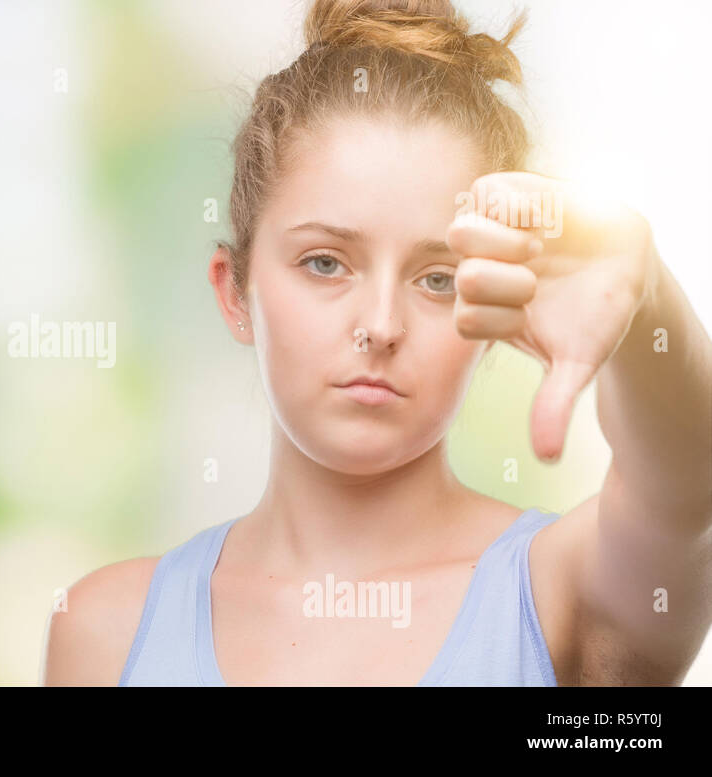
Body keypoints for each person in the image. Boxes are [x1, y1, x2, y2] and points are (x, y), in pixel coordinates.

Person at [41, 0, 712, 685]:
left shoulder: (559, 593)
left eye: (438, 278)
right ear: (235, 293)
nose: (382, 325)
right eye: (325, 262)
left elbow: (689, 487)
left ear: (493, 306)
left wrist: (647, 301)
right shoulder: (106, 633)